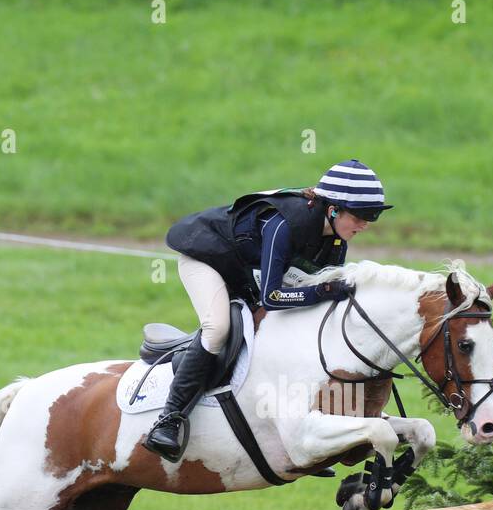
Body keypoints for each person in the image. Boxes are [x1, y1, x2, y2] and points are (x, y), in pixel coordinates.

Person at [143, 159, 393, 462]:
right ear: (333, 209)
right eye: (361, 216)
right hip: (207, 259)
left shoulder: (336, 242)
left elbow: (306, 298)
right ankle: (169, 420)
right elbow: (274, 296)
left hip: (247, 270)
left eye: (373, 216)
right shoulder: (286, 224)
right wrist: (323, 291)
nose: (366, 224)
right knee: (218, 327)